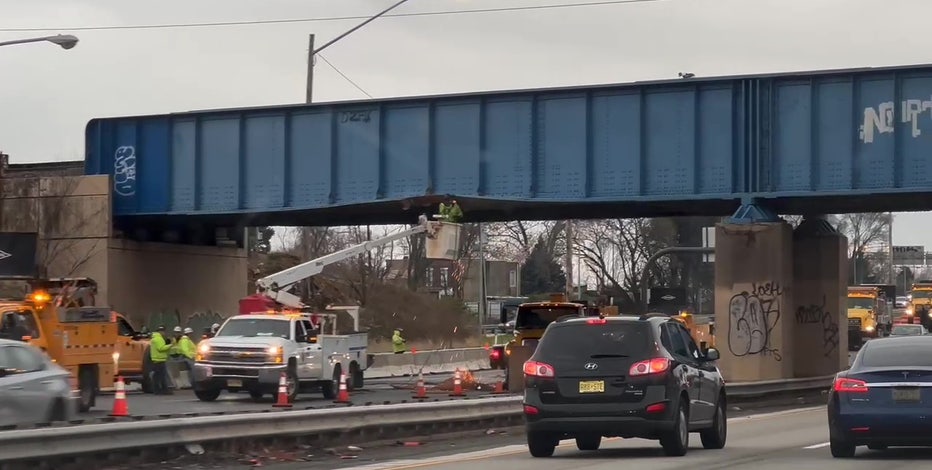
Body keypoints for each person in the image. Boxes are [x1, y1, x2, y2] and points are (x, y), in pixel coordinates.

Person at [149, 326, 175, 395]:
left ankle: (157, 390)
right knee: (162, 376)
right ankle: (163, 390)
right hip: (159, 360)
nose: (164, 333)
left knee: (157, 377)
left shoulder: (154, 338)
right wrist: (170, 345)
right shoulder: (159, 339)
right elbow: (161, 348)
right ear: (160, 332)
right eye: (163, 331)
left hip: (156, 359)